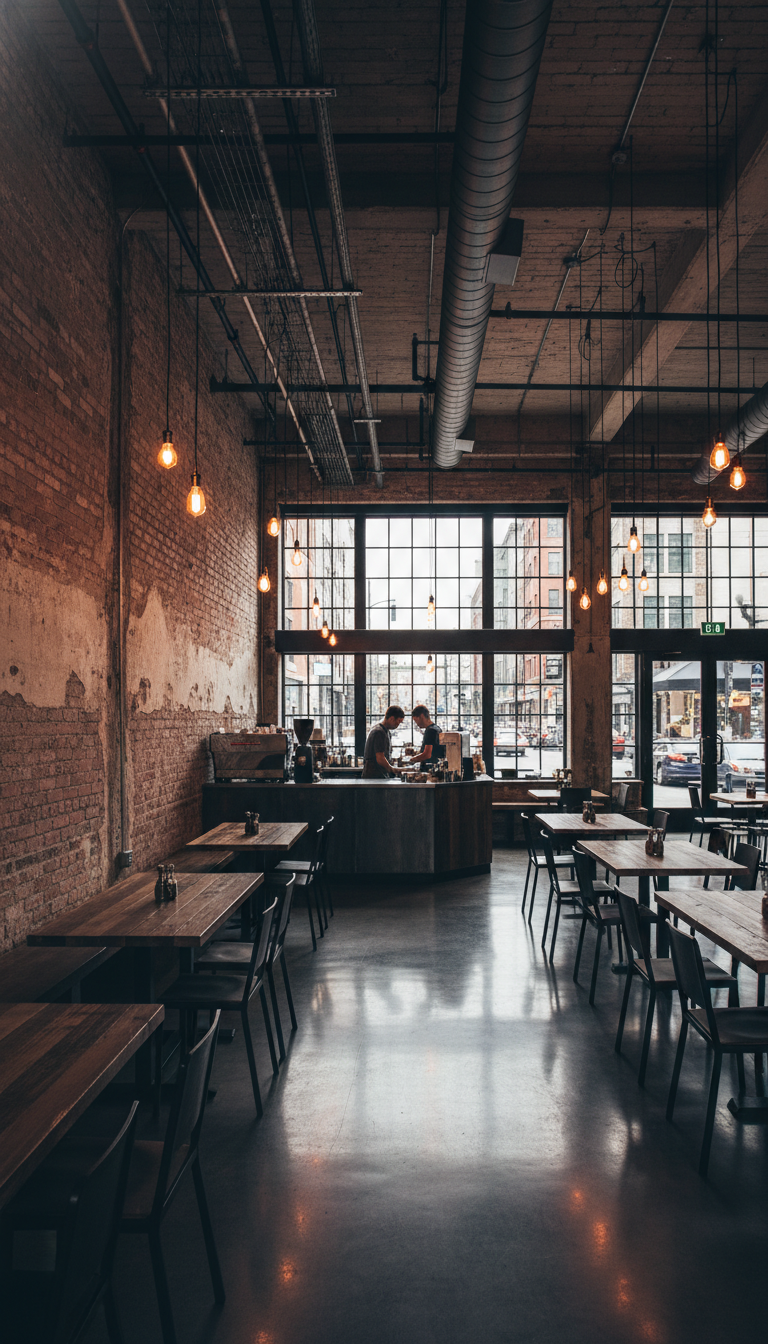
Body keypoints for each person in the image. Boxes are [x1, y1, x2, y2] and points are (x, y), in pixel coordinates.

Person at [362, 706, 405, 779]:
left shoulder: (385, 732)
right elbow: (380, 758)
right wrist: (392, 769)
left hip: (377, 776)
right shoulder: (379, 732)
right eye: (398, 722)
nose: (398, 725)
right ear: (391, 718)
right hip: (374, 777)